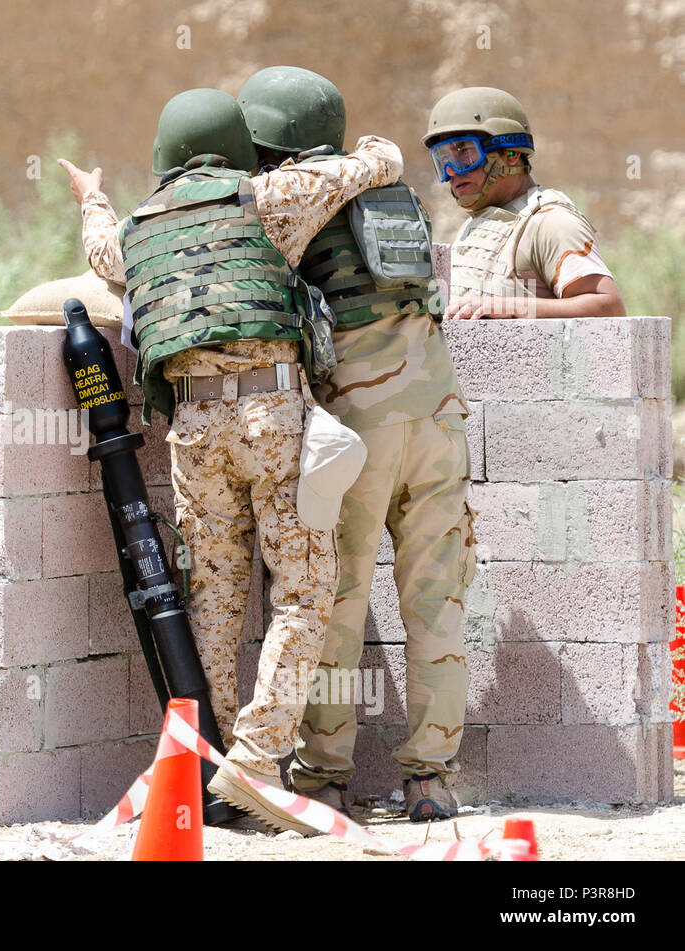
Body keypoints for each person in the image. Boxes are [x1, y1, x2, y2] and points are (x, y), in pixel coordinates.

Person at [59, 87, 402, 833]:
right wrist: (380, 151)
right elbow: (363, 171)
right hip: (270, 415)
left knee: (212, 602)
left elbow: (99, 250)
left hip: (191, 427)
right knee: (304, 591)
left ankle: (212, 771)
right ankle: (256, 760)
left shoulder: (138, 230)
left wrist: (91, 196)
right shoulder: (266, 196)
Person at [237, 67, 478, 823]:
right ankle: (431, 780)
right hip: (437, 417)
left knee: (335, 602)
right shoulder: (394, 192)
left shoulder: (293, 202)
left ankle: (324, 777)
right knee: (437, 603)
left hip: (358, 427)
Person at [423, 86, 626, 319]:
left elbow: (608, 307)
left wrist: (508, 307)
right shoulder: (477, 225)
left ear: (511, 154)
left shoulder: (550, 222)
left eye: (465, 153)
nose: (452, 171)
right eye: (443, 158)